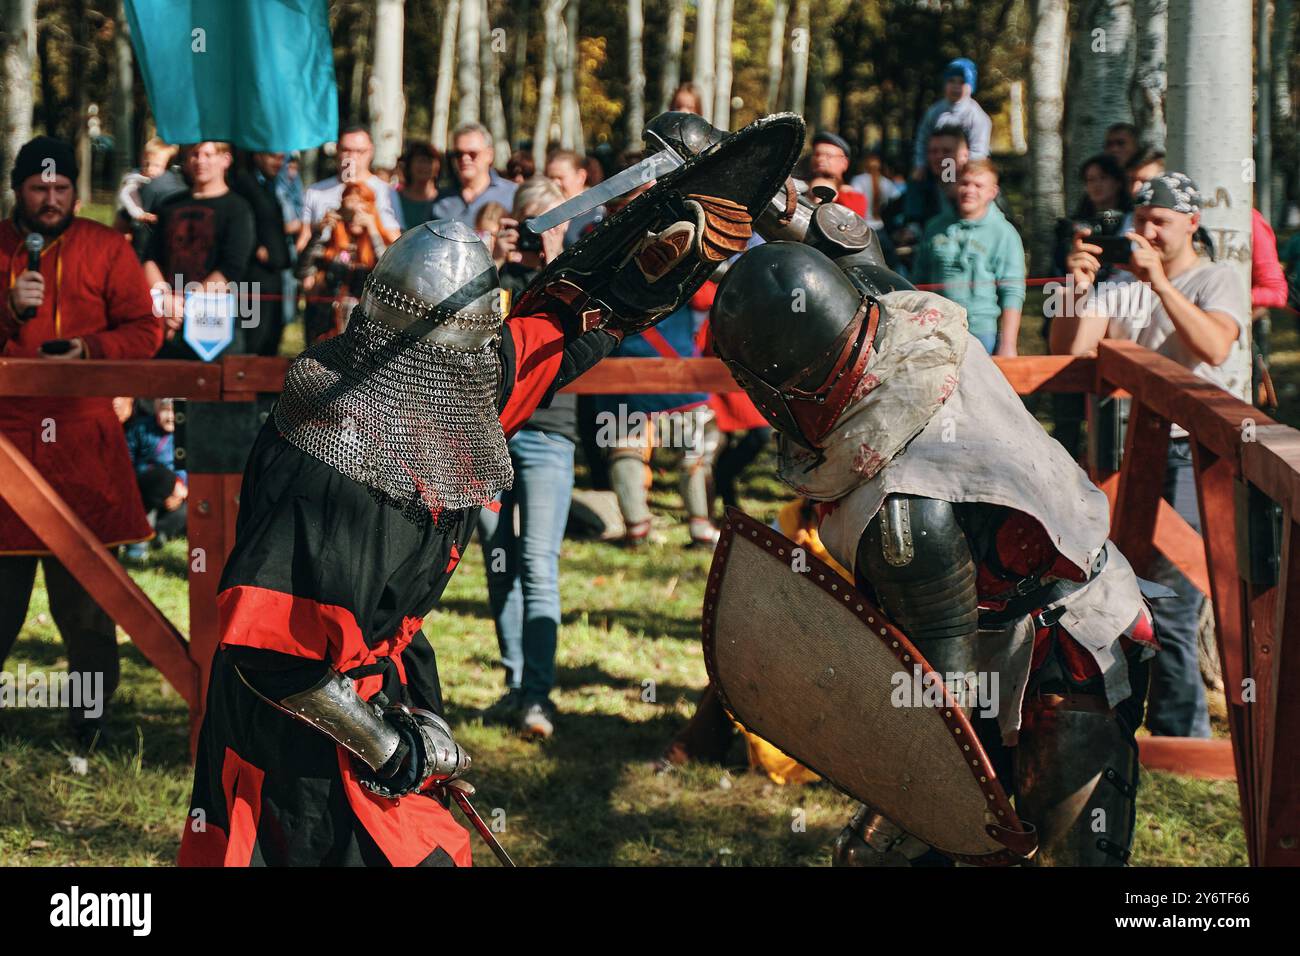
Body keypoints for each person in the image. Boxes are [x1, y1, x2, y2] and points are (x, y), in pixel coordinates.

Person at [176, 113, 800, 867]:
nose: (482, 373)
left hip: (371, 696)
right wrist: (392, 746)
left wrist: (658, 238)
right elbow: (273, 651)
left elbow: (560, 325)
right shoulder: (332, 454)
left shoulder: (447, 380)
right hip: (292, 741)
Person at [1056, 171, 1249, 739]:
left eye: (1160, 222)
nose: (1148, 233)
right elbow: (1068, 350)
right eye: (1140, 221)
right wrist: (1077, 288)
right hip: (1123, 456)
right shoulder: (1118, 284)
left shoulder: (1217, 278)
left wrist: (1160, 284)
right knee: (1118, 592)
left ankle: (1180, 734)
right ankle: (1124, 724)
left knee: (1177, 603)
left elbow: (1213, 345)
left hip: (1197, 457)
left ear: (1192, 223)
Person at [0, 136, 163, 746]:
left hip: (84, 445)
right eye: (39, 188)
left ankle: (87, 724)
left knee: (88, 605)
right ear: (19, 188)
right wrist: (8, 310)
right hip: (7, 446)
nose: (50, 199)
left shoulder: (107, 247)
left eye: (62, 188)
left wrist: (90, 350)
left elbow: (146, 329)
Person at [476, 177, 577, 738]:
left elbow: (572, 320)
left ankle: (538, 695)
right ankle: (515, 684)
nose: (535, 235)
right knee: (498, 558)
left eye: (548, 223)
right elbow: (469, 327)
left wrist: (556, 253)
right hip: (487, 433)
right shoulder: (499, 278)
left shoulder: (573, 276)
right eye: (529, 224)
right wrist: (492, 260)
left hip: (547, 436)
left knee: (539, 562)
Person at [142, 141, 257, 361]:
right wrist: (164, 300)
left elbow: (232, 266)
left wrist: (187, 307)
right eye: (194, 154)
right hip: (166, 321)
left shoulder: (238, 208)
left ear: (225, 160)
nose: (200, 161)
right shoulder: (168, 205)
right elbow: (150, 258)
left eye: (208, 154)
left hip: (216, 327)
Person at [912, 159, 1025, 355]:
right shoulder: (935, 227)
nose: (969, 190)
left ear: (993, 192)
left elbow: (1013, 291)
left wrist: (1008, 345)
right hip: (933, 328)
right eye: (964, 183)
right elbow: (918, 280)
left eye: (978, 185)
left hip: (980, 332)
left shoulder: (1004, 234)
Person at [297, 180, 400, 343]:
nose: (354, 215)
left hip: (365, 335)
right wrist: (319, 232)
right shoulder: (330, 247)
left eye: (361, 205)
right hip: (327, 332)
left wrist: (373, 230)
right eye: (349, 205)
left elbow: (390, 274)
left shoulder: (379, 249)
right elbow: (302, 270)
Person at [298, 126, 401, 253]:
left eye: (359, 151)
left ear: (371, 152)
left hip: (369, 266)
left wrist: (372, 225)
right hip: (326, 264)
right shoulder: (315, 191)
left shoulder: (385, 191)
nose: (352, 156)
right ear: (337, 150)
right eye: (346, 150)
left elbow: (397, 243)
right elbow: (303, 242)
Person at [231, 152, 292, 356]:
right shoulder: (244, 184)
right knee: (254, 336)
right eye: (273, 156)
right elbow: (238, 220)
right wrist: (255, 245)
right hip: (254, 278)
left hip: (274, 273)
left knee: (272, 335)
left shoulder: (271, 186)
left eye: (282, 158)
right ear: (257, 156)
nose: (278, 162)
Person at [124, 397, 188, 556]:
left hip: (179, 498)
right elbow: (127, 462)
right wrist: (173, 483)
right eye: (166, 410)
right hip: (148, 490)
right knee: (163, 478)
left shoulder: (190, 432)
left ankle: (160, 534)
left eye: (176, 411)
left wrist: (184, 490)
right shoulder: (141, 429)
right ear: (156, 408)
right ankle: (138, 545)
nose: (171, 416)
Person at [911, 57, 992, 176]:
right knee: (916, 184)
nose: (956, 86)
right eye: (951, 81)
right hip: (935, 168)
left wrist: (968, 173)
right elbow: (922, 139)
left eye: (962, 82)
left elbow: (978, 150)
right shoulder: (934, 112)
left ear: (971, 87)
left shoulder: (976, 116)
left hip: (964, 170)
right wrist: (920, 164)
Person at [430, 123, 517, 226]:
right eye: (458, 154)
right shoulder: (441, 200)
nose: (465, 159)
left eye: (472, 154)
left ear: (489, 155)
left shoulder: (512, 194)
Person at [115, 138, 176, 252]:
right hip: (136, 217)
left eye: (157, 165)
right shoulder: (136, 177)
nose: (150, 169)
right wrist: (138, 214)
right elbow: (126, 195)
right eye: (147, 163)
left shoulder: (168, 181)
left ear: (166, 166)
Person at [546, 149, 603, 247]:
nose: (554, 183)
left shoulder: (599, 213)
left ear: (581, 177)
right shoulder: (544, 210)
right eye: (550, 178)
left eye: (560, 178)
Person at [806, 131, 868, 218]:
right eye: (816, 154)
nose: (820, 159)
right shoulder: (798, 187)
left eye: (828, 156)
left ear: (844, 163)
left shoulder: (853, 197)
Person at [394, 141, 442, 229]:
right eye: (420, 161)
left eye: (429, 161)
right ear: (409, 165)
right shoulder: (394, 199)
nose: (425, 166)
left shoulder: (445, 200)